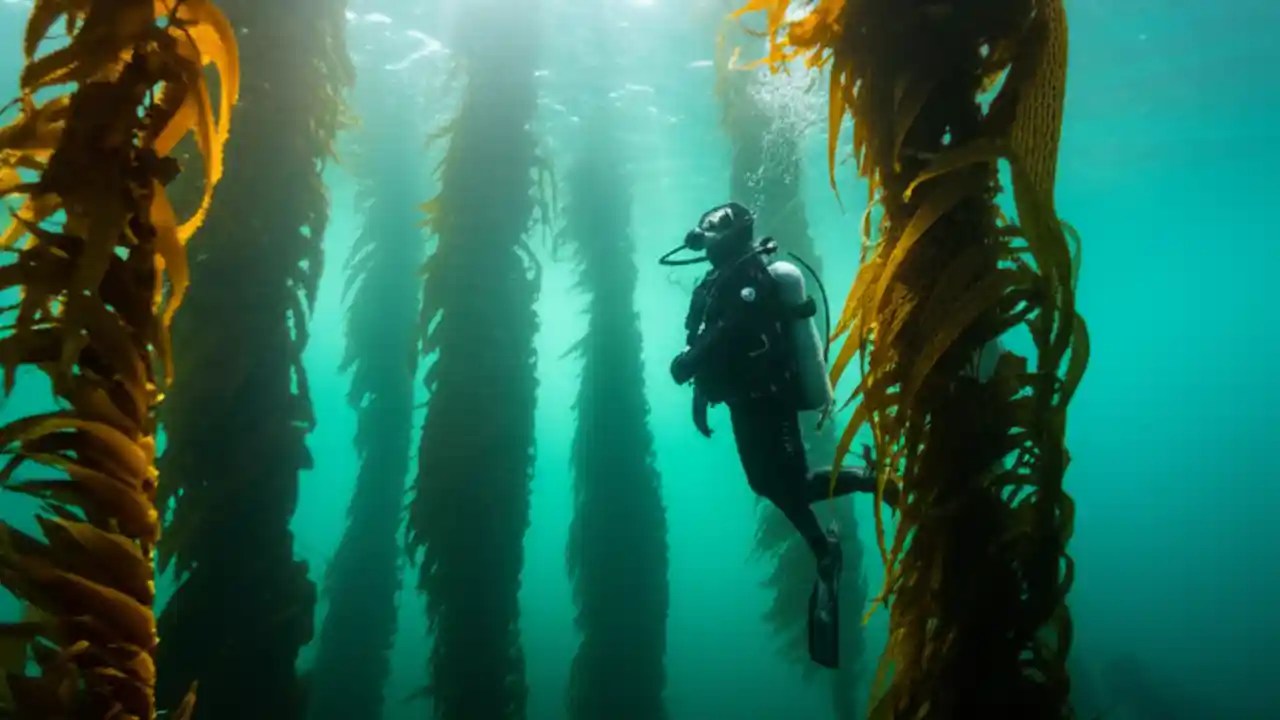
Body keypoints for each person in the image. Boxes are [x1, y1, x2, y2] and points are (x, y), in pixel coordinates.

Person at [663, 202, 896, 669]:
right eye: (704, 227)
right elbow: (703, 335)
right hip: (743, 402)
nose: (703, 234)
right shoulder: (717, 279)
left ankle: (870, 487)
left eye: (712, 228)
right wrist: (700, 392)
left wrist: (690, 364)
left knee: (789, 481)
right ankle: (827, 547)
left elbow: (733, 328)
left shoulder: (751, 276)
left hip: (770, 398)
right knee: (765, 483)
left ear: (733, 233)